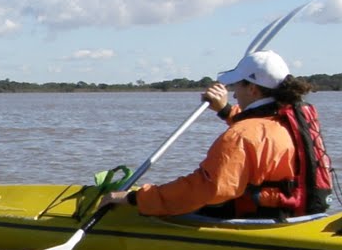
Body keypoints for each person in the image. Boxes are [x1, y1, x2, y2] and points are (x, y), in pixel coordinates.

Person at [101, 49, 322, 219]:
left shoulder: (241, 135)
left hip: (254, 219)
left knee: (176, 205)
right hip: (295, 214)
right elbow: (260, 136)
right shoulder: (295, 120)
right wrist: (224, 110)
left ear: (253, 89)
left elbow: (205, 189)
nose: (234, 94)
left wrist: (136, 197)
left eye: (237, 86)